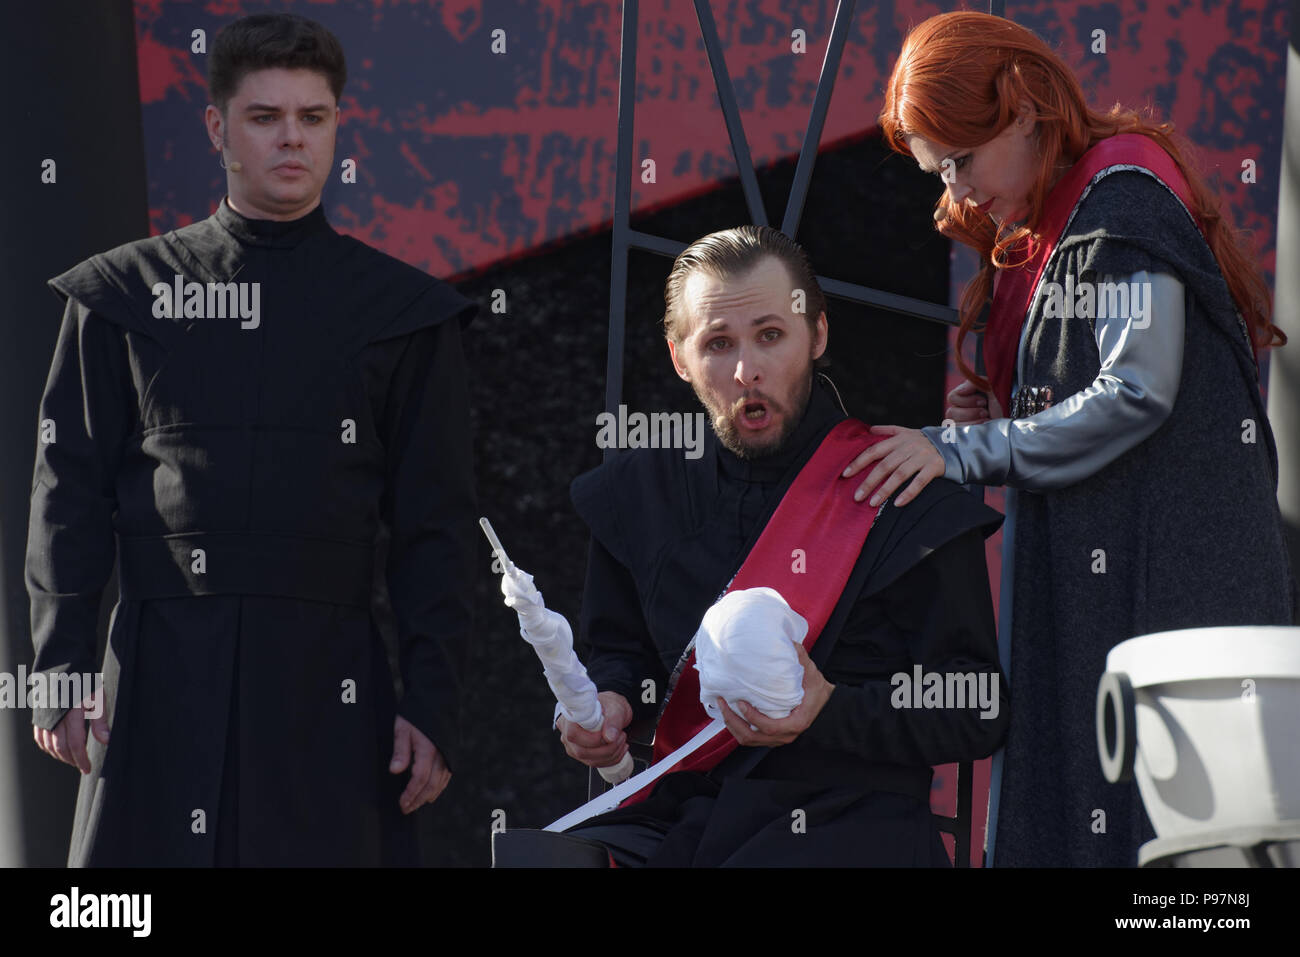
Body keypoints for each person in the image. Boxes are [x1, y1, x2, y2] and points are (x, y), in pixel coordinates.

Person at [844, 11, 1297, 867]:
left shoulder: (1119, 193)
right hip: (1119, 586)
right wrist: (997, 415)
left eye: (961, 162)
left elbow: (1134, 393)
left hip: (1173, 591)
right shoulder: (1070, 216)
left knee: (1183, 853)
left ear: (1020, 109)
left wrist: (958, 449)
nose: (958, 194)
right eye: (940, 173)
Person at [26, 13, 477, 865]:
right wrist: (59, 673)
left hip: (332, 683)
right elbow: (66, 498)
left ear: (338, 126)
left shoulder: (403, 315)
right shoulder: (122, 294)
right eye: (265, 117)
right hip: (156, 673)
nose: (291, 139)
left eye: (313, 118)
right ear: (217, 128)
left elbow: (438, 530)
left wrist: (434, 704)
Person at [496, 226, 1008, 867]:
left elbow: (975, 708)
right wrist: (609, 704)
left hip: (847, 825)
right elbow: (619, 653)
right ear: (680, 358)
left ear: (816, 335)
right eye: (718, 344)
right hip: (683, 821)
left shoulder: (902, 489)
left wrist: (829, 711)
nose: (747, 370)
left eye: (771, 335)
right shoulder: (639, 491)